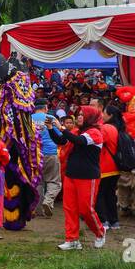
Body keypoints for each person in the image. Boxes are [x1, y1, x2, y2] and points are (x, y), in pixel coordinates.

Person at [46, 107, 107, 251]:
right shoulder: (76, 131)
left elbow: (79, 141)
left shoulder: (95, 133)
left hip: (88, 176)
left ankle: (100, 232)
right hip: (71, 174)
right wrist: (50, 128)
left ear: (90, 117)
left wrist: (60, 127)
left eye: (82, 115)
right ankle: (72, 239)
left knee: (86, 209)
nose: (79, 117)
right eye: (78, 114)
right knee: (70, 208)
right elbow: (61, 140)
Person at [32, 99, 61, 216]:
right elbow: (59, 135)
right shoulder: (50, 118)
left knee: (38, 182)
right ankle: (48, 201)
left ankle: (38, 209)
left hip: (35, 154)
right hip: (51, 152)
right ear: (45, 108)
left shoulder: (29, 118)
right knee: (54, 181)